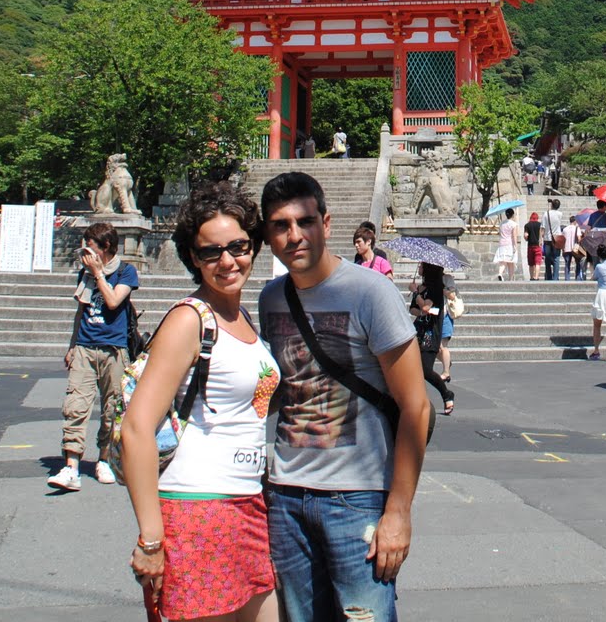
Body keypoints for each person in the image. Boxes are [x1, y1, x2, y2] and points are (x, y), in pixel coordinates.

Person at [256, 171, 430, 622]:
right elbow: (284, 388)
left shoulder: (370, 292)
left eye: (304, 221)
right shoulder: (270, 298)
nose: (294, 235)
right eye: (280, 225)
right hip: (286, 494)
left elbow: (416, 405)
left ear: (326, 223)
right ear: (268, 235)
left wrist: (399, 512)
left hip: (357, 496)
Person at [122, 182, 280, 622]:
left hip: (249, 505)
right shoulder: (188, 320)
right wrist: (151, 538)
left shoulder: (243, 316)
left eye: (238, 246)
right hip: (197, 509)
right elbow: (137, 428)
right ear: (193, 257)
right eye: (211, 252)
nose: (228, 261)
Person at [49, 222, 139, 492]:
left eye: (91, 246)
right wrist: (72, 345)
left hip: (114, 349)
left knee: (113, 409)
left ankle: (105, 459)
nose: (85, 252)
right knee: (75, 404)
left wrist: (99, 274)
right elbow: (81, 312)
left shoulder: (126, 272)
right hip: (85, 347)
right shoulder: (84, 274)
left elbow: (113, 302)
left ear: (106, 247)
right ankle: (71, 465)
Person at [409, 262, 456, 416]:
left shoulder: (436, 288)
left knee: (425, 370)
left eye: (422, 266)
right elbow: (414, 310)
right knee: (411, 366)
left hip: (431, 333)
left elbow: (426, 307)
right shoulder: (422, 288)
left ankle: (446, 393)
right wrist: (419, 300)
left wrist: (416, 294)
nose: (419, 268)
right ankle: (414, 400)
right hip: (418, 330)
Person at [494, 208, 518, 281]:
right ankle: (511, 278)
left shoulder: (501, 223)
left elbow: (500, 233)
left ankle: (500, 273)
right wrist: (515, 245)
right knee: (511, 262)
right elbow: (514, 236)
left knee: (503, 261)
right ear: (512, 215)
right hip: (509, 244)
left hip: (502, 244)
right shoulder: (513, 224)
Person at [562, 212, 588, 281]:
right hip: (575, 249)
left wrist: (563, 249)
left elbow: (563, 240)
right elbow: (579, 239)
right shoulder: (577, 229)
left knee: (567, 264)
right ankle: (578, 278)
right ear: (575, 221)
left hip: (567, 248)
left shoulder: (565, 229)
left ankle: (567, 278)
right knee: (578, 263)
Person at [544, 198, 564, 281]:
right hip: (557, 238)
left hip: (548, 238)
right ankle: (555, 277)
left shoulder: (546, 214)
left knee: (547, 258)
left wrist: (540, 239)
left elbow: (542, 227)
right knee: (556, 258)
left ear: (552, 205)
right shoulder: (560, 214)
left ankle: (549, 277)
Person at [524, 212, 544, 281]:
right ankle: (536, 277)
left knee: (531, 263)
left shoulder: (527, 225)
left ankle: (532, 277)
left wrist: (526, 238)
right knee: (537, 262)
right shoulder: (540, 225)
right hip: (538, 246)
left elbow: (526, 236)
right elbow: (542, 235)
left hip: (530, 246)